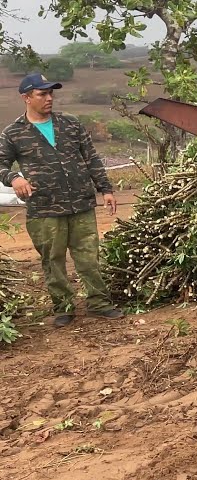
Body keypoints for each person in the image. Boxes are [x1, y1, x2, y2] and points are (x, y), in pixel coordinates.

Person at [1, 73, 122, 326]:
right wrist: (14, 178)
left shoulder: (70, 123)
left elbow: (90, 157)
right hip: (44, 208)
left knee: (89, 257)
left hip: (81, 203)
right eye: (42, 94)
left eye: (51, 93)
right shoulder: (13, 133)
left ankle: (99, 303)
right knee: (53, 261)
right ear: (26, 98)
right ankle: (63, 308)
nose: (49, 98)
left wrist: (106, 189)